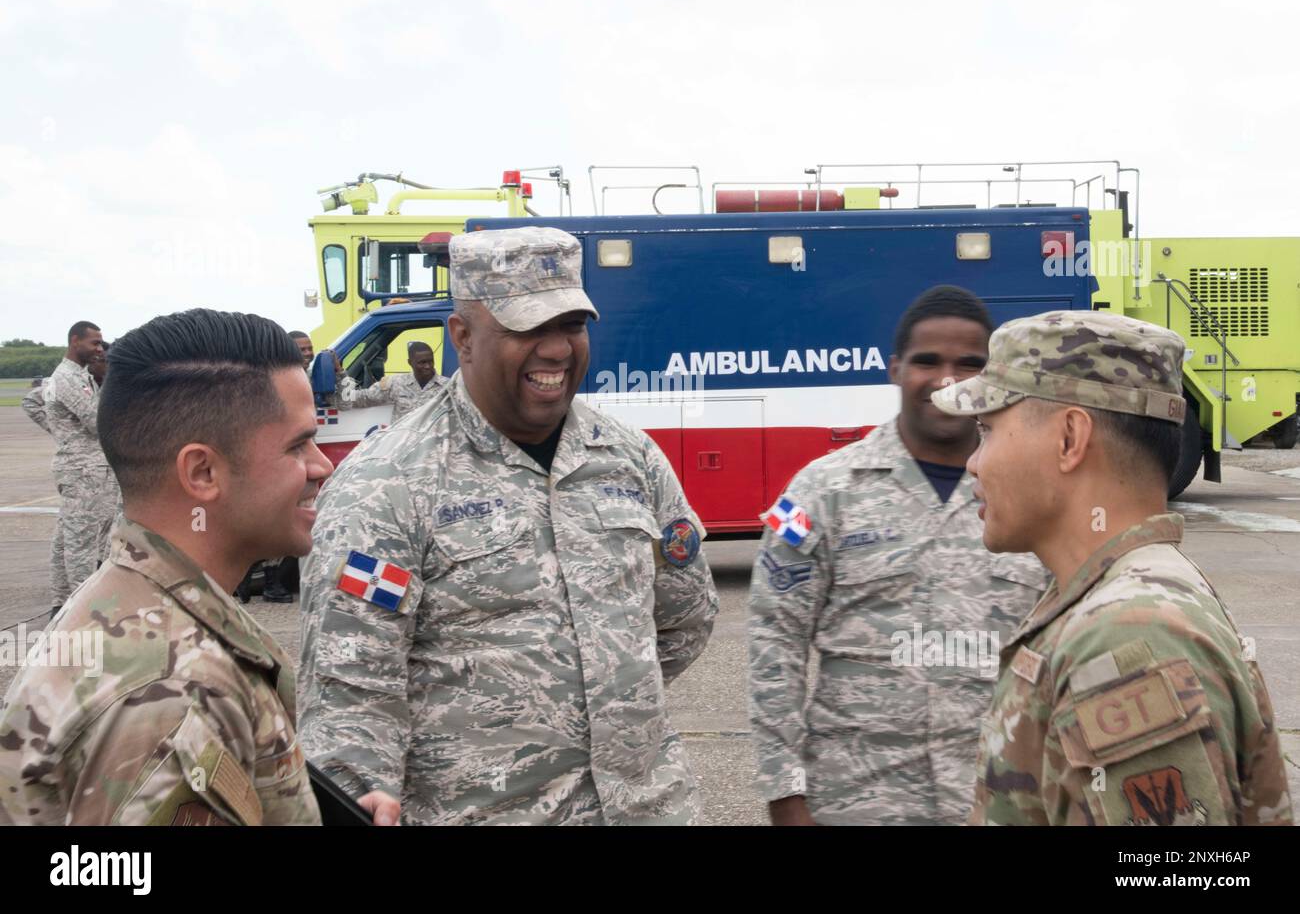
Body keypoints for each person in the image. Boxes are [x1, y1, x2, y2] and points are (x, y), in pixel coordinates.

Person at [298, 226, 719, 825]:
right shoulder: (386, 484)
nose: (555, 350)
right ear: (463, 336)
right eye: (527, 328)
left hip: (648, 810)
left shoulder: (629, 457)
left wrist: (599, 705)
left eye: (571, 326)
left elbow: (687, 614)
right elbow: (349, 691)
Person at [0, 309, 398, 826]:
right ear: (203, 472)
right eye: (298, 444)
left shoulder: (141, 609)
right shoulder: (171, 695)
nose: (321, 466)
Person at [931, 310, 1293, 826]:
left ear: (1069, 439)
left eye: (987, 430)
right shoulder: (1121, 597)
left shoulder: (1127, 638)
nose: (974, 462)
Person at [748, 286, 1048, 825]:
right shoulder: (817, 491)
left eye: (969, 365)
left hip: (998, 802)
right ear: (894, 369)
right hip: (855, 802)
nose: (947, 379)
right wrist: (785, 794)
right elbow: (775, 644)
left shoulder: (1034, 498)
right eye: (927, 362)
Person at [44, 320, 115, 613]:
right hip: (82, 470)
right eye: (94, 343)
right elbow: (97, 420)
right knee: (81, 545)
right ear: (75, 341)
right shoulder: (68, 379)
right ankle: (84, 610)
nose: (99, 349)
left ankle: (61, 605)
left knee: (66, 541)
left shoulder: (79, 376)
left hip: (85, 467)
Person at [330, 340, 448, 424]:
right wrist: (340, 372)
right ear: (410, 362)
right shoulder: (396, 384)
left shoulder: (448, 387)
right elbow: (351, 400)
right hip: (403, 452)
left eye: (430, 361)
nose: (428, 366)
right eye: (422, 362)